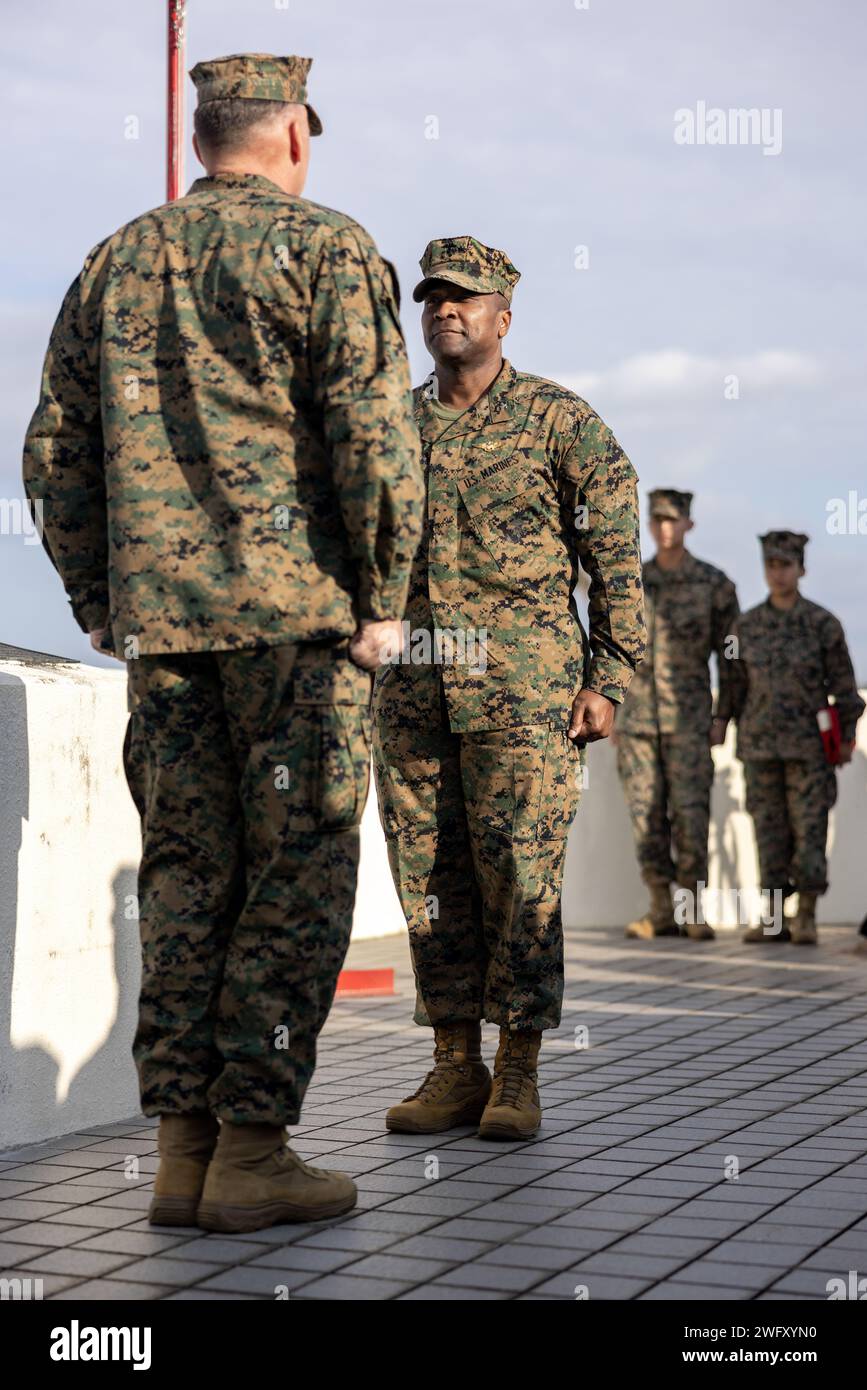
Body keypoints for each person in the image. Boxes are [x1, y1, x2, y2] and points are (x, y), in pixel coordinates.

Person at [22, 53, 423, 1233]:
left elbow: (56, 450)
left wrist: (98, 597)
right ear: (292, 133)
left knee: (188, 880)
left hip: (167, 636)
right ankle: (253, 1151)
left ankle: (179, 1155)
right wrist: (386, 597)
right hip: (298, 631)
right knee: (294, 882)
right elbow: (374, 437)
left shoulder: (117, 260)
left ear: (204, 137)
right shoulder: (327, 249)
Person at [372, 236, 645, 1141]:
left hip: (524, 697)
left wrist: (607, 676)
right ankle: (454, 1064)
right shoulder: (393, 425)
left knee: (521, 881)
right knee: (430, 882)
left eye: (465, 297)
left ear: (503, 316)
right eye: (433, 298)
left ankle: (518, 1071)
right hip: (412, 696)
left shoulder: (560, 422)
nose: (445, 310)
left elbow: (613, 560)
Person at [614, 489, 739, 940]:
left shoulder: (714, 584)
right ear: (650, 525)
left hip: (689, 722)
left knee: (690, 816)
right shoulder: (632, 582)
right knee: (645, 817)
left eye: (673, 520)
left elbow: (731, 658)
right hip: (638, 724)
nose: (665, 529)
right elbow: (611, 647)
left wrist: (723, 716)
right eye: (658, 521)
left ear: (688, 524)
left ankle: (691, 911)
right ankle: (661, 909)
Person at [732, 531, 863, 945]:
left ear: (801, 569)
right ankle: (774, 919)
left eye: (785, 564)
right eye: (771, 564)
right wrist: (721, 723)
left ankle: (806, 914)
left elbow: (845, 688)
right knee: (768, 834)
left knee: (809, 831)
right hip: (759, 746)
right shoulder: (745, 626)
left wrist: (844, 740)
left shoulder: (823, 624)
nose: (778, 572)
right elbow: (734, 686)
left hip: (809, 749)